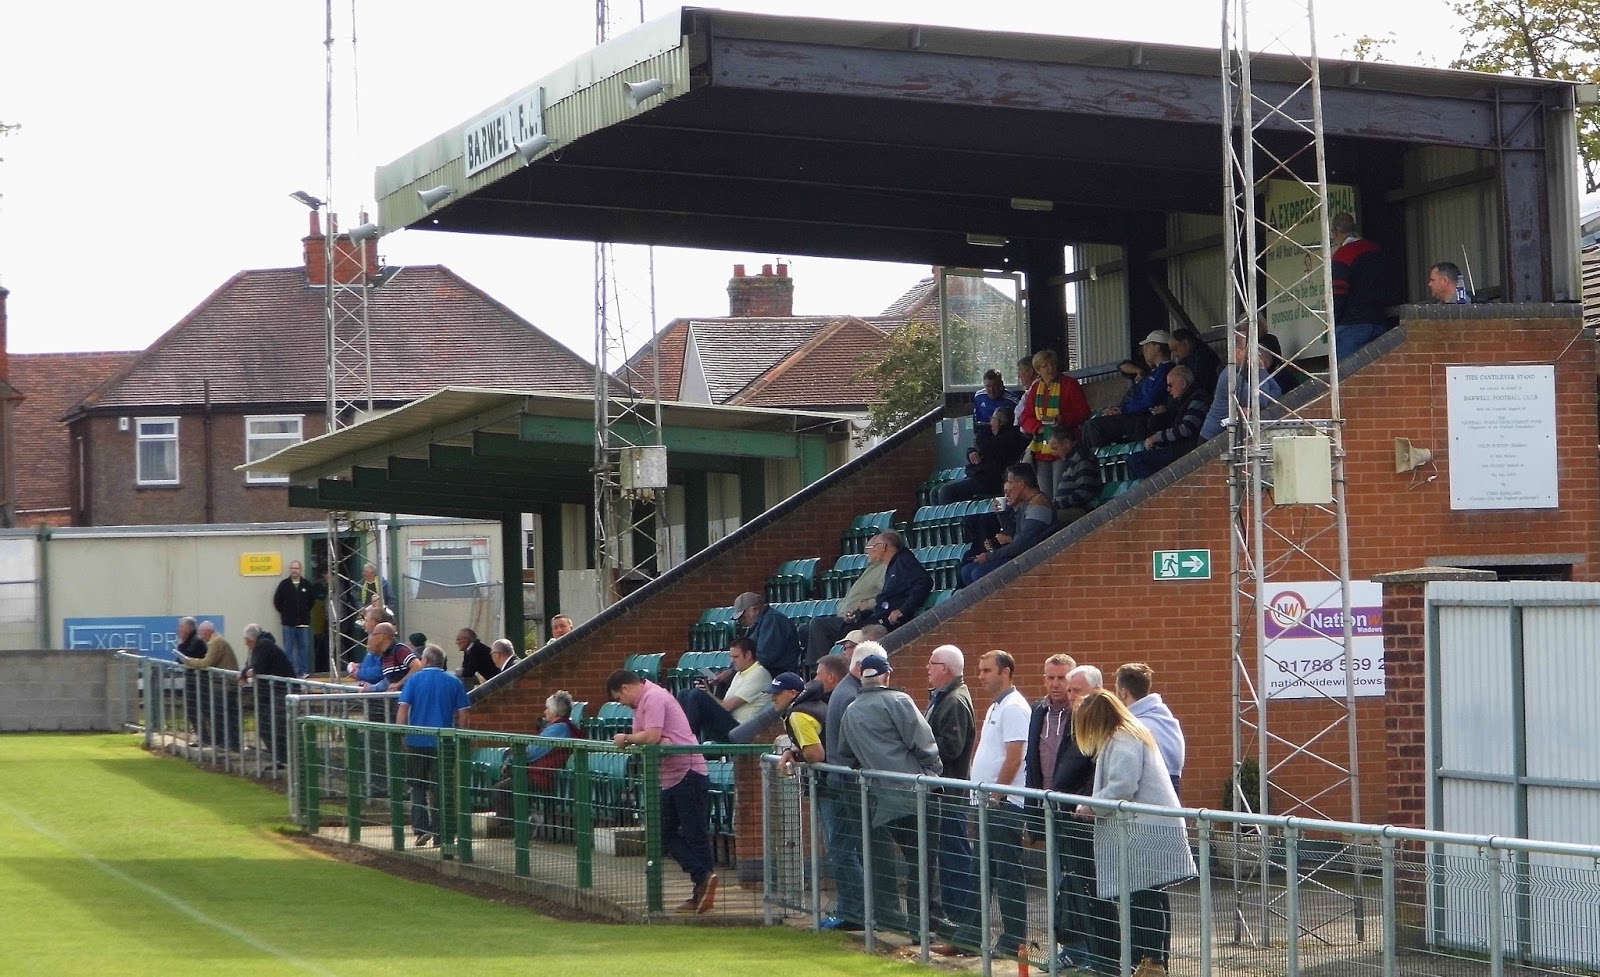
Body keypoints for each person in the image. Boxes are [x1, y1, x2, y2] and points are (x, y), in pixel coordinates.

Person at [1072, 690, 1196, 977]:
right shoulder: (1127, 734)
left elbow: (1122, 787)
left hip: (1144, 832)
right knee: (1148, 896)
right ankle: (1151, 962)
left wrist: (1089, 807)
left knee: (1144, 898)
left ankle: (1152, 963)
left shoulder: (1123, 738)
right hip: (1145, 830)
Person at [836, 652, 942, 935]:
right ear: (886, 676)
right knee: (923, 859)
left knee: (911, 857)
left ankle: (919, 922)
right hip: (915, 791)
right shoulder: (899, 701)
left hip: (881, 798)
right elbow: (924, 743)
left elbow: (846, 755)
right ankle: (922, 924)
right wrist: (936, 771)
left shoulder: (851, 710)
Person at [941, 650, 1032, 958]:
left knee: (1007, 874)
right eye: (979, 670)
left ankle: (1013, 940)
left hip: (1004, 806)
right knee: (981, 872)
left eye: (987, 670)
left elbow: (1015, 756)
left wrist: (997, 796)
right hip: (988, 805)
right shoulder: (998, 706)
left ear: (1006, 672)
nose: (980, 676)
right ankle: (969, 936)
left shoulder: (1015, 708)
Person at [608, 668, 718, 914]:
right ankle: (703, 879)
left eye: (618, 698)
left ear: (625, 688)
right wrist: (649, 739)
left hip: (687, 772)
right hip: (670, 777)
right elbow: (653, 738)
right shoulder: (642, 703)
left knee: (694, 833)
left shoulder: (654, 697)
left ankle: (702, 887)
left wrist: (626, 738)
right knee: (663, 833)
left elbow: (652, 734)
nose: (621, 704)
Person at [1025, 655, 1103, 971]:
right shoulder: (1038, 712)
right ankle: (1070, 946)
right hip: (1048, 809)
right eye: (1052, 678)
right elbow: (1033, 762)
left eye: (1064, 680)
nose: (1058, 686)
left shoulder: (1086, 717)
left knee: (1080, 884)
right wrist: (1032, 816)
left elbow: (1086, 767)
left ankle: (1088, 949)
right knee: (1059, 883)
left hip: (1078, 814)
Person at [816, 643, 871, 931]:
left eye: (818, 673)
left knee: (844, 849)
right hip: (845, 784)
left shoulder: (846, 693)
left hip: (841, 784)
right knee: (845, 848)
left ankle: (856, 911)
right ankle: (856, 911)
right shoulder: (851, 695)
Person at [924, 644, 977, 939]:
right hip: (943, 793)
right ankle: (955, 917)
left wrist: (920, 749)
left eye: (932, 663)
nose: (927, 668)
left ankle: (961, 920)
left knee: (954, 856)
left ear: (945, 668)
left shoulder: (954, 700)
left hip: (950, 794)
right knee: (947, 855)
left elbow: (952, 749)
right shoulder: (943, 697)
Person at [396, 644, 470, 848]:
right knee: (442, 788)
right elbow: (463, 714)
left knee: (417, 786)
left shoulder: (414, 680)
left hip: (417, 741)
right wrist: (461, 737)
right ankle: (442, 834)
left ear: (426, 660)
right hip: (444, 742)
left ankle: (421, 829)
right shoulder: (454, 682)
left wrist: (402, 734)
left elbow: (403, 710)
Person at [491, 690, 585, 824]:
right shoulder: (557, 727)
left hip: (542, 777)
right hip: (537, 774)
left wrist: (513, 756)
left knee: (500, 790)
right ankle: (518, 824)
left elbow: (532, 752)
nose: (545, 712)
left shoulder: (559, 728)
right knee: (506, 785)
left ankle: (511, 828)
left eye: (547, 708)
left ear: (555, 712)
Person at [959, 464, 1057, 588]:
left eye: (1010, 482)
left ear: (1021, 484)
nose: (1008, 487)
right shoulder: (1025, 505)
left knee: (978, 573)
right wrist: (1000, 510)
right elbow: (1012, 532)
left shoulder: (1039, 506)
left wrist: (990, 557)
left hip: (1033, 560)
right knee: (967, 570)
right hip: (1020, 556)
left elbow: (1022, 544)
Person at [1017, 349, 1091, 498]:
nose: (1050, 369)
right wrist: (1038, 428)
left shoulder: (1070, 384)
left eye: (1052, 365)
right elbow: (1025, 417)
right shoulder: (1036, 389)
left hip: (1063, 446)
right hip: (1041, 449)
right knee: (1045, 494)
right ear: (1038, 370)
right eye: (1045, 366)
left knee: (1059, 493)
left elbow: (1083, 412)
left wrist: (1063, 419)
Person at [1084, 332, 1175, 449]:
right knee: (1089, 425)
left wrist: (1123, 410)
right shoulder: (1151, 371)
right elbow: (1122, 366)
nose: (1145, 350)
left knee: (1094, 426)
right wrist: (1139, 371)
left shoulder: (1166, 371)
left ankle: (1096, 464)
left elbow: (1150, 400)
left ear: (1157, 347)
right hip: (1133, 414)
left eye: (1147, 346)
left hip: (1142, 418)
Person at [676, 636, 772, 742]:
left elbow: (727, 707)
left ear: (748, 655)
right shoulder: (740, 673)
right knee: (683, 694)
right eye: (731, 657)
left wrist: (707, 693)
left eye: (736, 657)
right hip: (731, 723)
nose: (732, 661)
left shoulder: (759, 674)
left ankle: (688, 742)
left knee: (696, 695)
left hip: (741, 729)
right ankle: (681, 737)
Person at [804, 555, 888, 671]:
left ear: (883, 547)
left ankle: (822, 669)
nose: (868, 551)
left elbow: (887, 596)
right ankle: (810, 670)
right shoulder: (871, 567)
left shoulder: (884, 568)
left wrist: (868, 604)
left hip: (862, 618)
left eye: (871, 547)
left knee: (818, 624)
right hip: (849, 616)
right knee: (803, 630)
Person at [1129, 365, 1211, 479]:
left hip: (1186, 452)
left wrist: (1157, 437)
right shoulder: (1183, 402)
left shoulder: (1198, 399)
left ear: (1183, 384)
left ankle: (1160, 493)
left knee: (1137, 460)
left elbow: (1186, 429)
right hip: (1179, 450)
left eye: (1170, 385)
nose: (1168, 390)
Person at [1115, 663, 1186, 795]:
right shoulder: (1167, 721)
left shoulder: (1133, 729)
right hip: (1171, 793)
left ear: (1123, 693)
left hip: (1148, 795)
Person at [1200, 332, 1284, 442]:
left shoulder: (1243, 371)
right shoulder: (1230, 376)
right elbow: (1260, 402)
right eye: (1251, 350)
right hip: (1212, 438)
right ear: (1238, 352)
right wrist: (1261, 370)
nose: (1256, 355)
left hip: (1227, 434)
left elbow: (1277, 392)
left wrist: (1262, 370)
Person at [937, 407, 1028, 504]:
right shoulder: (997, 437)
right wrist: (971, 452)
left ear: (999, 422)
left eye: (992, 420)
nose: (990, 424)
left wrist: (980, 437)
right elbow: (979, 450)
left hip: (992, 482)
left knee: (945, 492)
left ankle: (952, 518)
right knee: (936, 491)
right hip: (984, 478)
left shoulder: (1008, 438)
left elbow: (986, 449)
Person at [1330, 211, 1386, 358]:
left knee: (1346, 377)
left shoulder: (1342, 256)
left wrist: (1332, 321)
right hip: (1378, 321)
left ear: (1335, 231)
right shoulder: (1376, 250)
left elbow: (1338, 293)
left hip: (1351, 326)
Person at [240, 623, 296, 767]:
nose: (246, 645)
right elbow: (251, 667)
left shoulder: (264, 645)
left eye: (246, 641)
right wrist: (245, 673)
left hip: (282, 690)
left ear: (251, 639)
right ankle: (280, 758)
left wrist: (247, 673)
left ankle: (284, 759)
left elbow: (257, 667)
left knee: (276, 726)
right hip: (269, 692)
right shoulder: (258, 647)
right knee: (265, 727)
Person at [178, 620, 240, 750]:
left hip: (224, 685)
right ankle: (224, 743)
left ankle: (226, 744)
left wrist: (189, 662)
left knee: (223, 716)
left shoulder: (215, 642)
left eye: (201, 632)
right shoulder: (215, 641)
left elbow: (207, 662)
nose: (200, 635)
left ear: (207, 631)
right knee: (223, 716)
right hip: (223, 684)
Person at [730, 591, 799, 678]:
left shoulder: (773, 620)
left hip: (777, 675)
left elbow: (764, 658)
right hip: (762, 673)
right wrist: (730, 670)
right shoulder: (758, 623)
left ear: (755, 609)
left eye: (744, 617)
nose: (742, 622)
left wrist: (733, 671)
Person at [1047, 426, 1101, 526]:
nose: (1055, 453)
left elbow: (1085, 492)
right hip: (1069, 509)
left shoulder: (1082, 457)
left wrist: (1058, 504)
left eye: (1056, 448)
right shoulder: (1073, 459)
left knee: (1045, 518)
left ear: (1067, 443)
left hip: (1081, 511)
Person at [272, 560, 316, 677]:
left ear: (300, 570)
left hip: (303, 623)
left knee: (304, 648)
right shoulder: (284, 584)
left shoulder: (306, 584)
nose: (294, 570)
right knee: (288, 649)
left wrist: (304, 612)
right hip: (288, 623)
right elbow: (277, 601)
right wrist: (286, 613)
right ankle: (290, 673)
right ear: (290, 570)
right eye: (292, 568)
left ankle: (304, 672)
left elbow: (312, 601)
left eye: (296, 568)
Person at [174, 616, 207, 739]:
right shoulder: (189, 642)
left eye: (181, 627)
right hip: (191, 680)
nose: (179, 630)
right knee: (191, 710)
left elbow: (187, 657)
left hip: (199, 681)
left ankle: (205, 738)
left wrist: (181, 645)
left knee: (197, 710)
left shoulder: (196, 641)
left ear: (188, 628)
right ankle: (202, 737)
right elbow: (179, 659)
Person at [1169, 326, 1222, 397]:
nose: (1175, 355)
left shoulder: (1204, 357)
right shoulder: (1187, 358)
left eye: (1175, 349)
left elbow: (1199, 386)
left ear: (1185, 343)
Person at [971, 368, 1017, 450]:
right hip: (983, 439)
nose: (991, 390)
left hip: (1004, 442)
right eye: (988, 386)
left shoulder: (1013, 401)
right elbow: (975, 420)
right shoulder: (979, 397)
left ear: (1001, 384)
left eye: (994, 386)